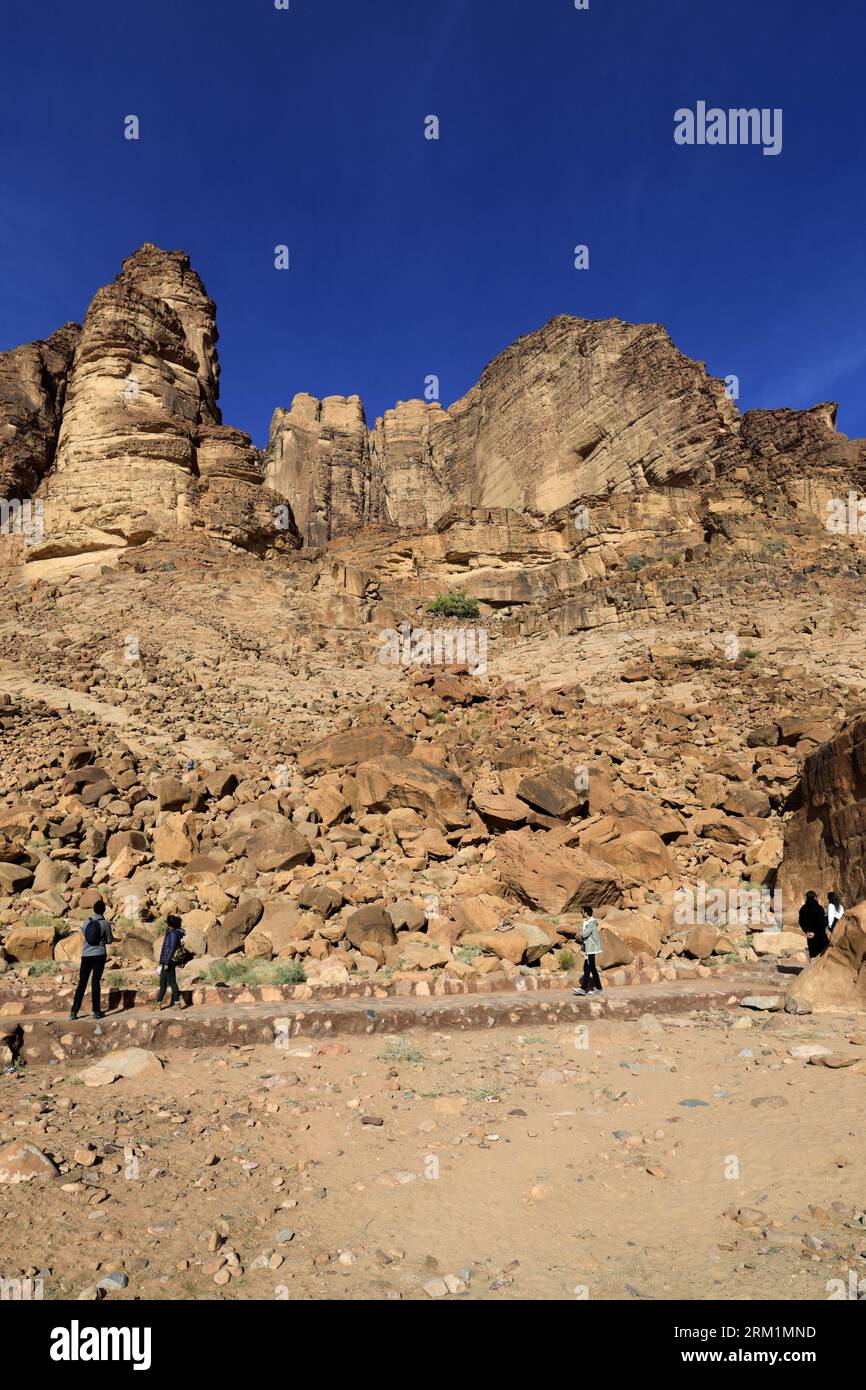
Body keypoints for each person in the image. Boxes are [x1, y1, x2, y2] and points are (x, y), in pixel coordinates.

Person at [69, 899, 113, 1021]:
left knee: (82, 983)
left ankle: (74, 1012)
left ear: (93, 910)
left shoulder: (86, 921)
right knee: (95, 982)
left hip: (86, 955)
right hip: (99, 955)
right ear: (104, 910)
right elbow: (109, 940)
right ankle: (96, 1012)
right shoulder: (105, 923)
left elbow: (86, 936)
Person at [156, 915, 189, 1011]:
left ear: (169, 923)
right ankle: (158, 1003)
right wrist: (162, 963)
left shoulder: (173, 934)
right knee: (162, 983)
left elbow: (171, 949)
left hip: (169, 962)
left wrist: (166, 963)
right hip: (166, 961)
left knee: (172, 983)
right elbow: (166, 949)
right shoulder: (170, 932)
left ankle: (177, 1004)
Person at [573, 904, 603, 996]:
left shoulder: (592, 923)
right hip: (588, 948)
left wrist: (580, 933)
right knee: (592, 968)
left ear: (586, 913)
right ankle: (598, 988)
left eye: (582, 912)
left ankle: (583, 988)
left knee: (587, 968)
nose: (581, 913)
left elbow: (584, 934)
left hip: (591, 948)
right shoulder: (587, 922)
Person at [799, 890, 829, 959]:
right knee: (823, 956)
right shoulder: (819, 908)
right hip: (820, 935)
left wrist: (807, 931)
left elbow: (801, 922)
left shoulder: (803, 909)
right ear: (815, 897)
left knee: (813, 956)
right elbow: (821, 923)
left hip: (810, 936)